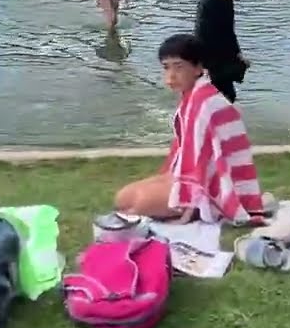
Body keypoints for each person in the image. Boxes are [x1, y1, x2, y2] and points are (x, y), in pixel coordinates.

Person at [112, 34, 264, 223]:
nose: (171, 76)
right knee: (122, 199)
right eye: (166, 68)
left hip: (216, 187)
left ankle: (198, 209)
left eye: (179, 67)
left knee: (134, 206)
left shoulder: (203, 102)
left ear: (198, 68)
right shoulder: (195, 95)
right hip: (199, 176)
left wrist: (186, 213)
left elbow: (201, 162)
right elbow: (188, 152)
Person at [195, 0, 249, 103]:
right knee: (220, 96)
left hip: (222, 56)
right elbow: (201, 34)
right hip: (210, 58)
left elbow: (229, 30)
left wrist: (238, 53)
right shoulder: (208, 1)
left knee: (227, 95)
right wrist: (203, 65)